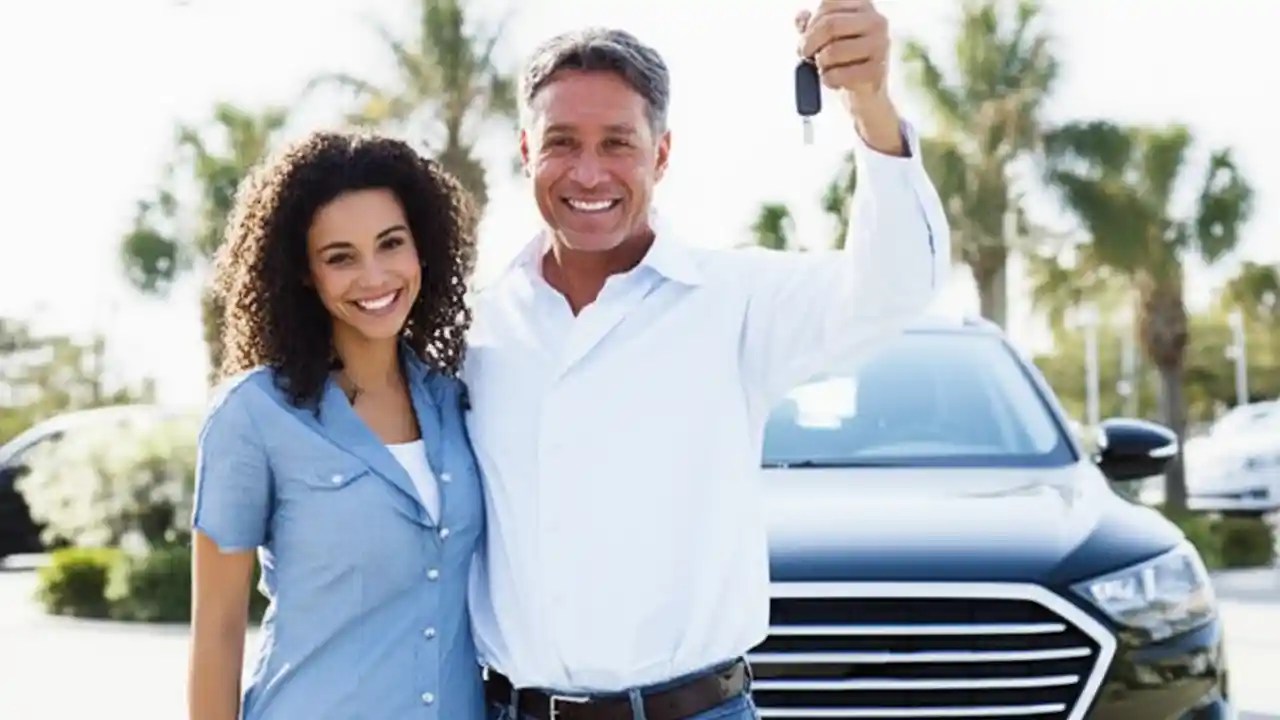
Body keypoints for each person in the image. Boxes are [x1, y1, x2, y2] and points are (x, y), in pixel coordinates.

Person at [464, 2, 951, 719]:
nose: (589, 172)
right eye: (563, 142)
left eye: (618, 144)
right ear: (525, 150)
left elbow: (898, 284)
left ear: (661, 155)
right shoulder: (476, 326)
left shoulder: (735, 302)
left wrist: (868, 103)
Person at [188, 131, 486, 720]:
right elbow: (218, 632)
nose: (374, 276)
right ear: (305, 273)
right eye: (340, 257)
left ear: (421, 247)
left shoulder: (456, 399)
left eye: (390, 244)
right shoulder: (252, 417)